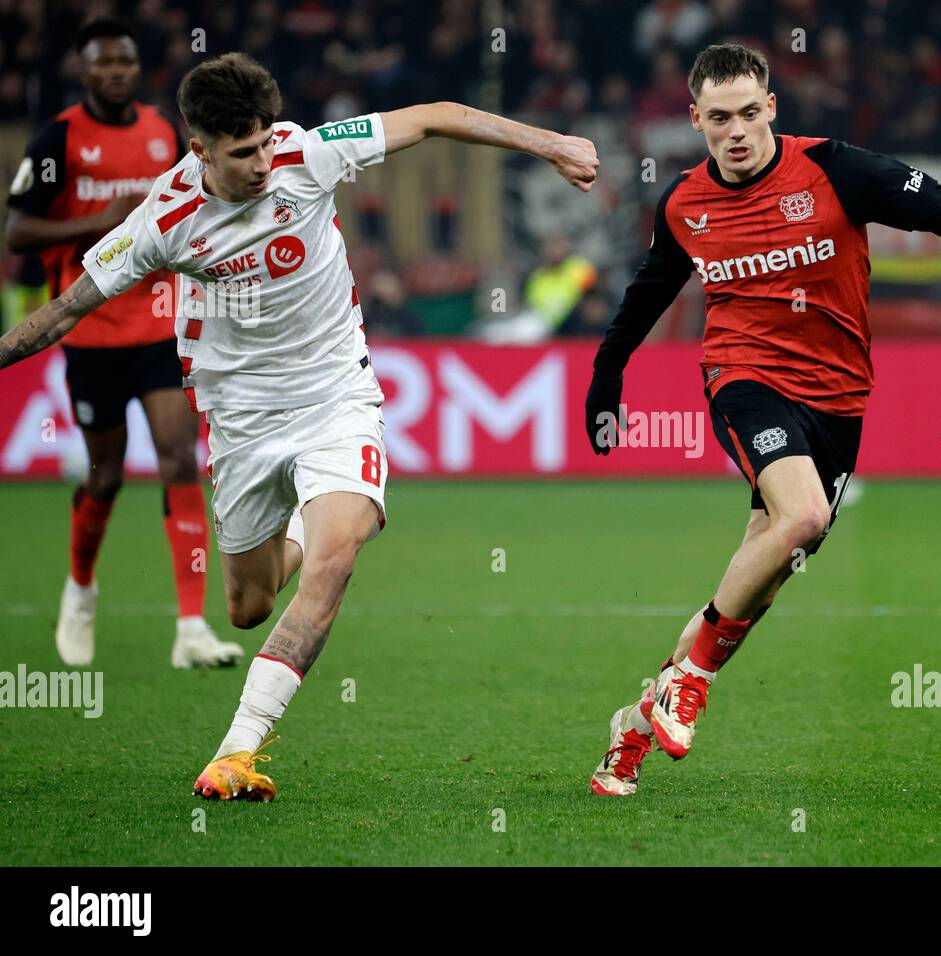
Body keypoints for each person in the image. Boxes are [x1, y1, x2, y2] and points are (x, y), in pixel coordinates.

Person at [0, 51, 599, 801]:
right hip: (242, 419)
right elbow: (62, 309)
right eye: (241, 152)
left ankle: (236, 750)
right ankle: (298, 535)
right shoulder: (164, 219)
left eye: (262, 143)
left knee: (337, 555)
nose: (260, 163)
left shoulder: (306, 151)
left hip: (333, 396)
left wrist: (553, 144)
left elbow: (434, 116)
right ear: (200, 151)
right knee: (247, 608)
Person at [584, 43, 941, 795]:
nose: (738, 131)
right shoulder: (685, 203)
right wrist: (605, 377)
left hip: (841, 400)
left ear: (772, 107)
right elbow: (649, 291)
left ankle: (639, 720)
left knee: (760, 580)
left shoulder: (834, 170)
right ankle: (693, 682)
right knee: (805, 517)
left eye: (751, 113)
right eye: (720, 119)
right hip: (743, 377)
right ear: (696, 121)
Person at [4, 18, 241, 669]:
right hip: (90, 329)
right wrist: (100, 222)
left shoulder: (164, 131)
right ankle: (80, 590)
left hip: (160, 324)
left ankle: (191, 626)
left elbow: (193, 206)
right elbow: (18, 231)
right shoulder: (58, 140)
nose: (116, 73)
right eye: (104, 63)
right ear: (84, 71)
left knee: (177, 460)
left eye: (126, 62)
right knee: (105, 477)